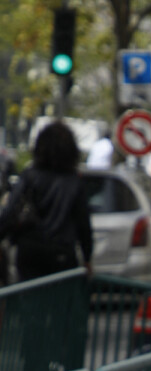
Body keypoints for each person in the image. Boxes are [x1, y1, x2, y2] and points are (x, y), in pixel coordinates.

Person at [0, 120, 93, 281]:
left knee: (28, 299)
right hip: (62, 253)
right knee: (58, 302)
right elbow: (83, 224)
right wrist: (87, 258)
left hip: (29, 251)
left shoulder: (29, 176)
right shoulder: (74, 182)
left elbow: (10, 212)